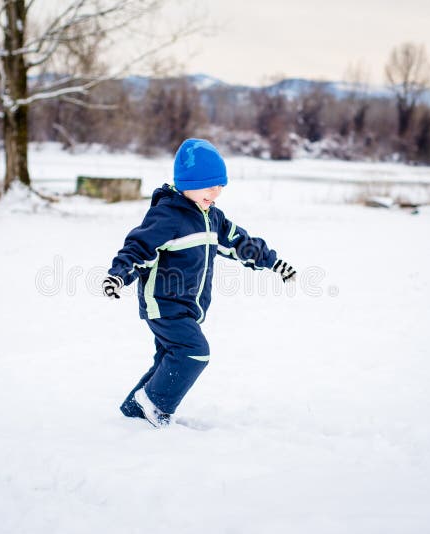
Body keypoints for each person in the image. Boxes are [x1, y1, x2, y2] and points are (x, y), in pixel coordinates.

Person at [102, 138, 296, 428]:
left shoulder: (212, 217)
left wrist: (271, 261)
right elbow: (139, 248)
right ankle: (155, 406)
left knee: (169, 358)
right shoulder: (167, 216)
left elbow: (240, 243)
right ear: (186, 183)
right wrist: (119, 275)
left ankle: (135, 410)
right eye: (209, 185)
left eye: (220, 185)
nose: (216, 192)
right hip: (164, 304)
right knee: (193, 352)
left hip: (190, 307)